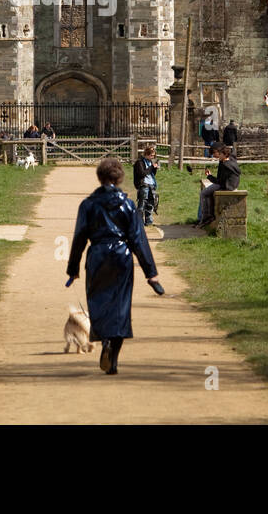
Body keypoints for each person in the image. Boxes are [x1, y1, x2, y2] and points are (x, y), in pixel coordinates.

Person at [66, 158, 161, 375]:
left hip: (98, 256)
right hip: (122, 257)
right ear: (119, 179)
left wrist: (73, 268)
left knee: (98, 302)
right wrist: (151, 274)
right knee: (120, 307)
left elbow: (80, 237)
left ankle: (105, 341)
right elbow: (138, 240)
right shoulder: (127, 205)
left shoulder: (88, 205)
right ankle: (114, 357)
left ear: (99, 178)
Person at [196, 142, 240, 228]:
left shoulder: (225, 165)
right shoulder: (229, 159)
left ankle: (206, 218)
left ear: (219, 152)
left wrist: (209, 176)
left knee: (204, 193)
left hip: (227, 186)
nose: (213, 155)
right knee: (208, 192)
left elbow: (219, 182)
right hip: (230, 185)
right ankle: (206, 217)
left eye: (214, 153)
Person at [132, 145, 159, 225]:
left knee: (150, 204)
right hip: (143, 184)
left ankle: (149, 222)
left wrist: (154, 168)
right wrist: (151, 167)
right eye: (151, 155)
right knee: (142, 204)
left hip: (152, 184)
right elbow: (142, 173)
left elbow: (151, 174)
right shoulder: (139, 162)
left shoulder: (150, 162)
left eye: (153, 155)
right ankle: (139, 222)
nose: (152, 157)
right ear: (146, 154)